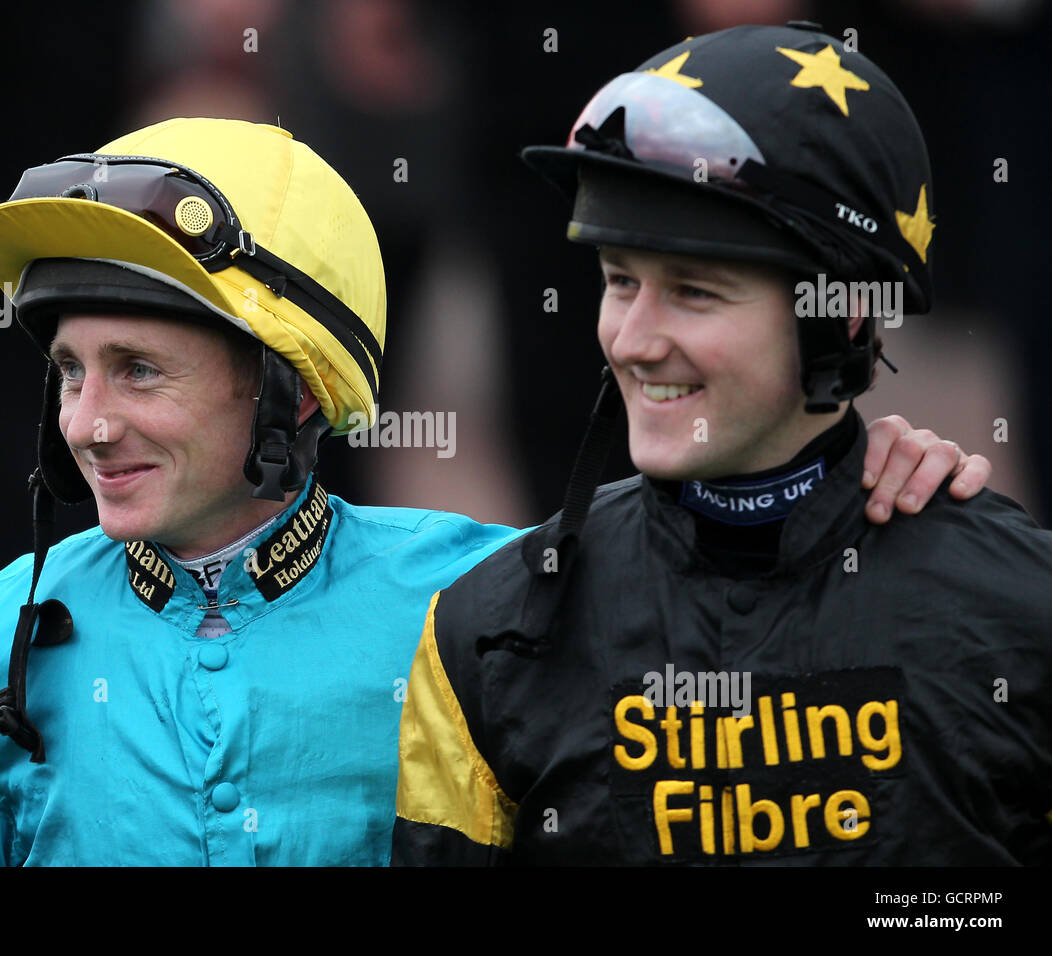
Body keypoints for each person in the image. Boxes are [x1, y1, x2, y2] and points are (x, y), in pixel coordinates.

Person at [0, 115, 988, 866]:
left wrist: (857, 473)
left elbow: (740, 592)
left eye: (138, 369)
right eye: (68, 371)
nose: (89, 422)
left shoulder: (492, 599)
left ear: (294, 391)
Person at [392, 22, 1051, 866]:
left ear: (841, 315)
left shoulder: (1022, 613)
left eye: (695, 293)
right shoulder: (480, 633)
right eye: (620, 280)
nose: (633, 339)